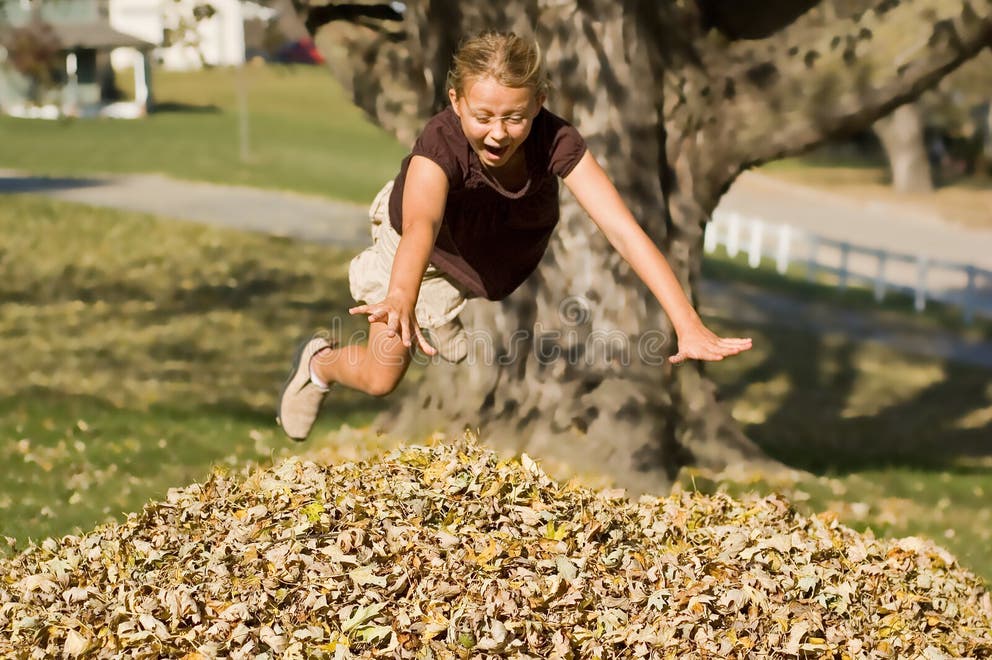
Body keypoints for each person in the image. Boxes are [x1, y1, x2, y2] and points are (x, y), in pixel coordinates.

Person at [278, 31, 752, 441]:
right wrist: (402, 297)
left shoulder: (555, 140)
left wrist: (686, 322)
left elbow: (622, 230)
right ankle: (319, 364)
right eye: (483, 116)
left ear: (538, 104)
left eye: (515, 118)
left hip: (485, 248)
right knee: (382, 378)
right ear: (455, 101)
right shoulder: (439, 145)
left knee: (456, 304)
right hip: (415, 252)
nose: (499, 134)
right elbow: (422, 226)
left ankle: (440, 308)